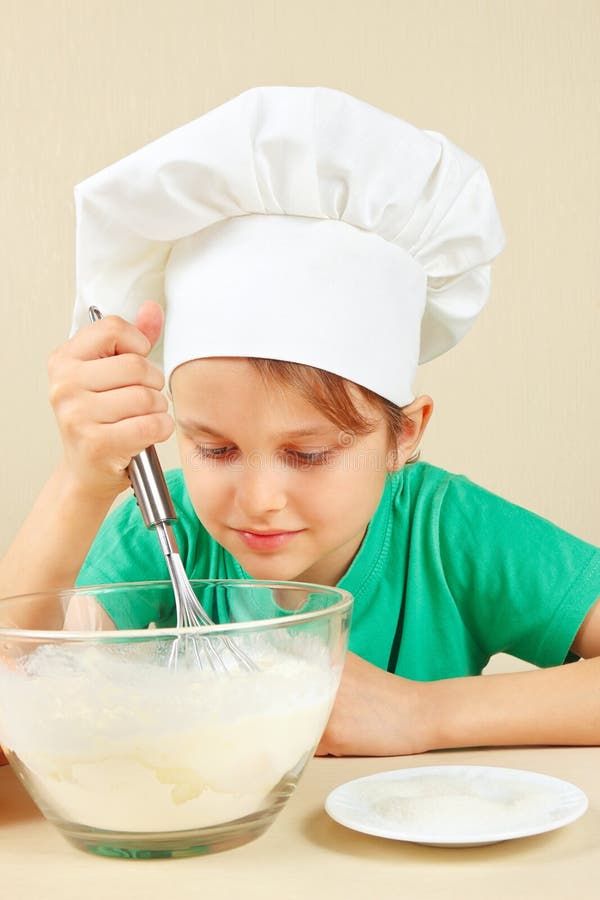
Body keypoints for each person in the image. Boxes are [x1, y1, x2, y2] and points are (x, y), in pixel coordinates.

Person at [1, 87, 599, 761]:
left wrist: (424, 714)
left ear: (403, 433)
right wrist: (79, 481)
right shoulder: (162, 539)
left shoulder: (449, 534)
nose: (257, 499)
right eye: (214, 447)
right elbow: (11, 702)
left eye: (309, 454)